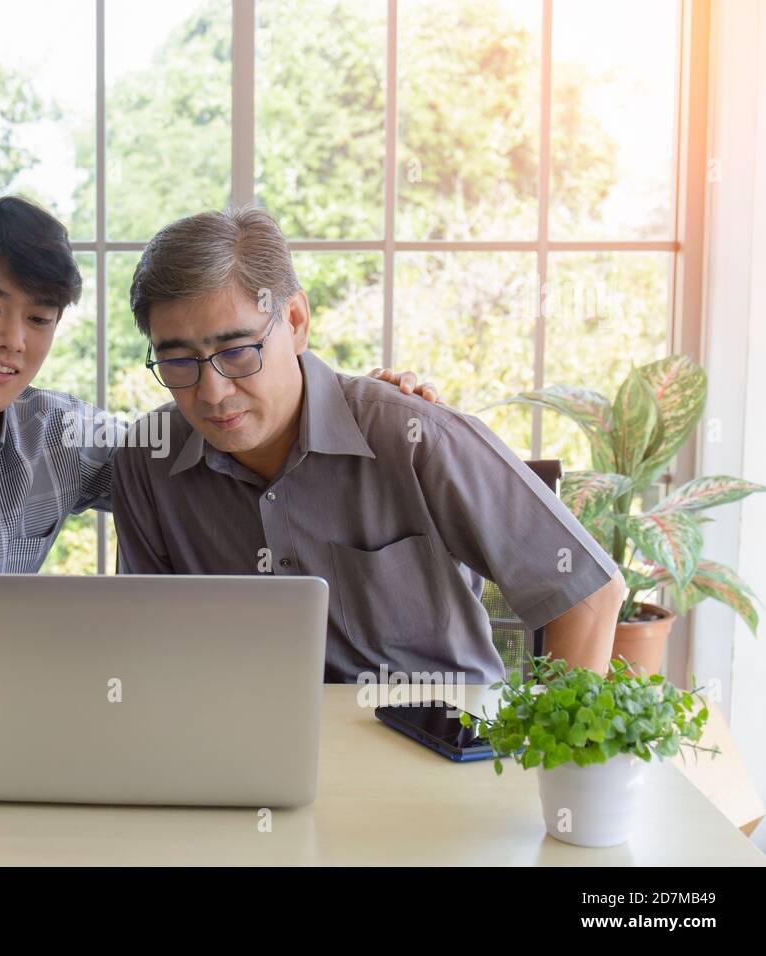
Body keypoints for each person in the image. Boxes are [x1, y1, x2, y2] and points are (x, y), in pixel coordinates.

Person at [0, 196, 442, 676]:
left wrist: (352, 405)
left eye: (40, 319)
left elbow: (214, 439)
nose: (12, 343)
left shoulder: (56, 434)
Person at [112, 207, 626, 684]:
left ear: (294, 322)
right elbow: (149, 646)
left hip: (436, 754)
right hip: (241, 758)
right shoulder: (147, 461)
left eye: (238, 351)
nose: (212, 392)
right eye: (179, 362)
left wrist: (547, 763)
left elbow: (588, 592)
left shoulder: (414, 436)